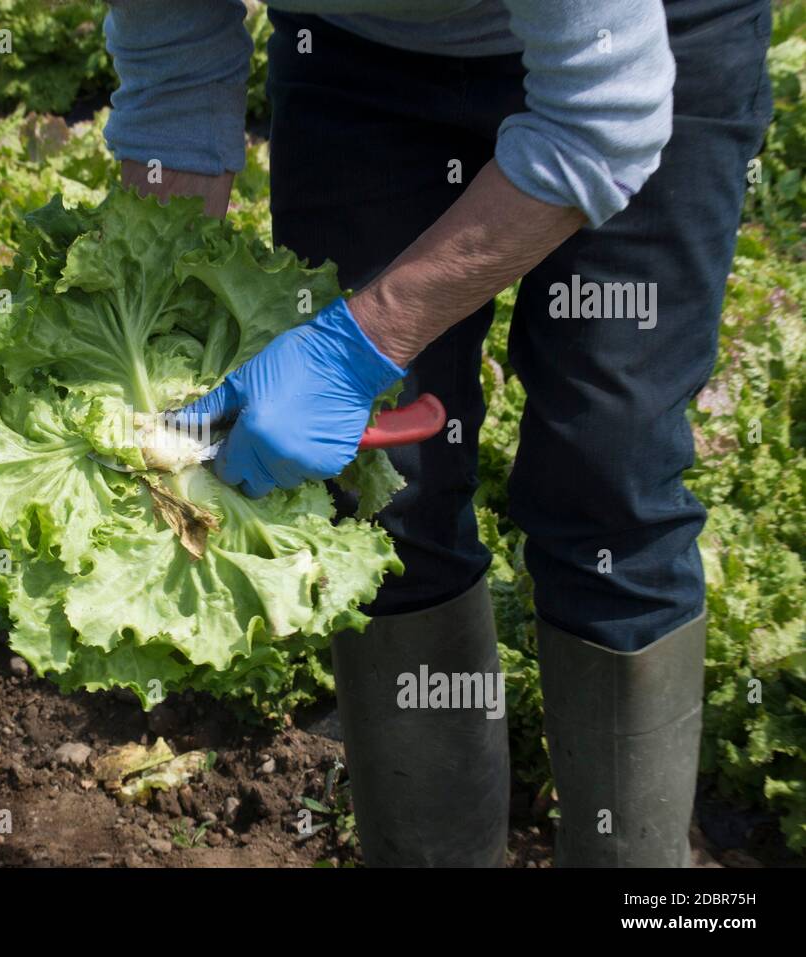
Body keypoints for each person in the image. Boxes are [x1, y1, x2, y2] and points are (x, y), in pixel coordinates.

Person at [103, 0, 774, 867]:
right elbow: (174, 69)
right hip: (365, 57)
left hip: (641, 41)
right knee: (384, 498)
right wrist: (159, 335)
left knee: (612, 473)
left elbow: (603, 113)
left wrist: (354, 348)